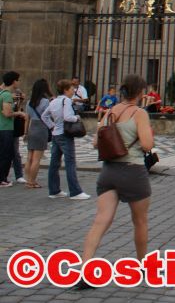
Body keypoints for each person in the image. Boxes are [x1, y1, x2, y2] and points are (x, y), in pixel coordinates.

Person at [78, 75, 154, 288]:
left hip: (109, 171)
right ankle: (141, 267)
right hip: (133, 171)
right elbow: (147, 145)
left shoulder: (109, 112)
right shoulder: (139, 113)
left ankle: (85, 269)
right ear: (140, 93)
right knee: (140, 221)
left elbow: (95, 142)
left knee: (100, 221)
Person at [42, 79, 90, 199]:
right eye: (71, 88)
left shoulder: (53, 101)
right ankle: (75, 191)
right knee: (70, 162)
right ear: (65, 90)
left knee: (54, 163)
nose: (73, 90)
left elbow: (44, 116)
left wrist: (52, 126)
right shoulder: (66, 101)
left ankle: (54, 190)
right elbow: (68, 117)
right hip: (65, 134)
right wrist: (77, 118)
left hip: (56, 134)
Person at [0, 71, 29, 188]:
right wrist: (19, 113)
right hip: (5, 128)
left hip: (3, 127)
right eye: (18, 80)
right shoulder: (7, 95)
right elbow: (7, 113)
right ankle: (2, 179)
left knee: (4, 153)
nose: (19, 82)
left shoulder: (2, 93)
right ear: (13, 81)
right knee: (6, 154)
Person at [23, 78, 53, 189]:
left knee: (29, 157)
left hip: (32, 128)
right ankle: (32, 181)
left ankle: (27, 180)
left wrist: (25, 132)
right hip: (41, 128)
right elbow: (49, 116)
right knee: (36, 159)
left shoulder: (29, 102)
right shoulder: (45, 102)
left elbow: (27, 118)